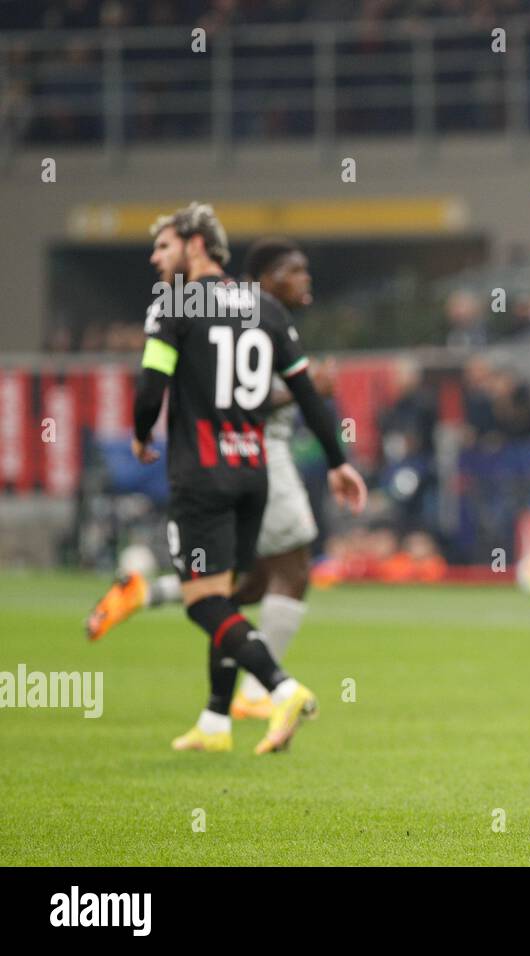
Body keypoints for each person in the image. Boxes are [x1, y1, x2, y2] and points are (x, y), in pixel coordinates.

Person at [125, 203, 366, 753]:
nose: (155, 258)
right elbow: (307, 395)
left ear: (196, 245)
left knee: (203, 603)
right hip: (253, 472)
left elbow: (149, 389)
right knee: (228, 597)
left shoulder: (176, 303)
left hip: (202, 476)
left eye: (164, 246)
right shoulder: (266, 308)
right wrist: (338, 463)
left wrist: (141, 435)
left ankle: (279, 686)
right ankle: (215, 722)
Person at [86, 237, 335, 722]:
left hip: (238, 464)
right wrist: (311, 399)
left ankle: (212, 707)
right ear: (263, 279)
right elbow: (240, 399)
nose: (305, 279)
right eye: (294, 270)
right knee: (291, 572)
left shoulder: (249, 317)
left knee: (240, 586)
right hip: (260, 460)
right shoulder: (251, 316)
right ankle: (266, 692)